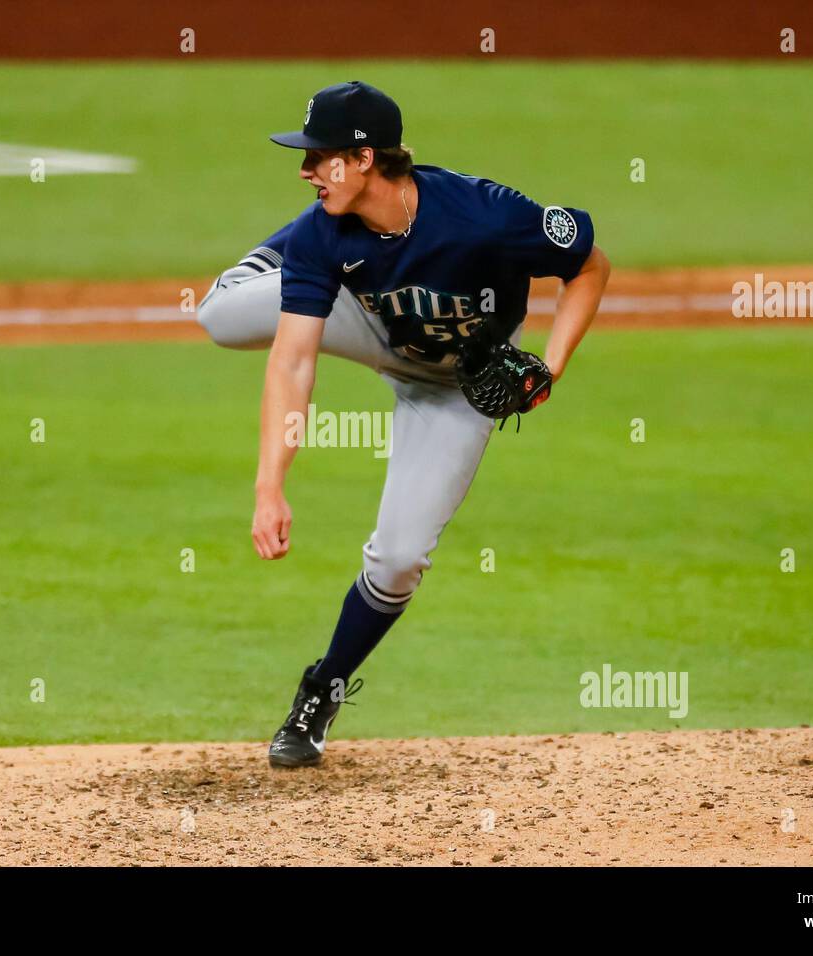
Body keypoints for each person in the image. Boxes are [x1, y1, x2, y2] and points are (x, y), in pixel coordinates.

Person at [197, 80, 610, 767]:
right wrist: (270, 484)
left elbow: (589, 265)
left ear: (364, 158)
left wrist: (553, 366)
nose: (304, 168)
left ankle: (322, 690)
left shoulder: (486, 217)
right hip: (364, 318)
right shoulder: (324, 232)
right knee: (218, 315)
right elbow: (292, 363)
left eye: (320, 156)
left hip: (454, 384)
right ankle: (279, 263)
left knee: (397, 561)